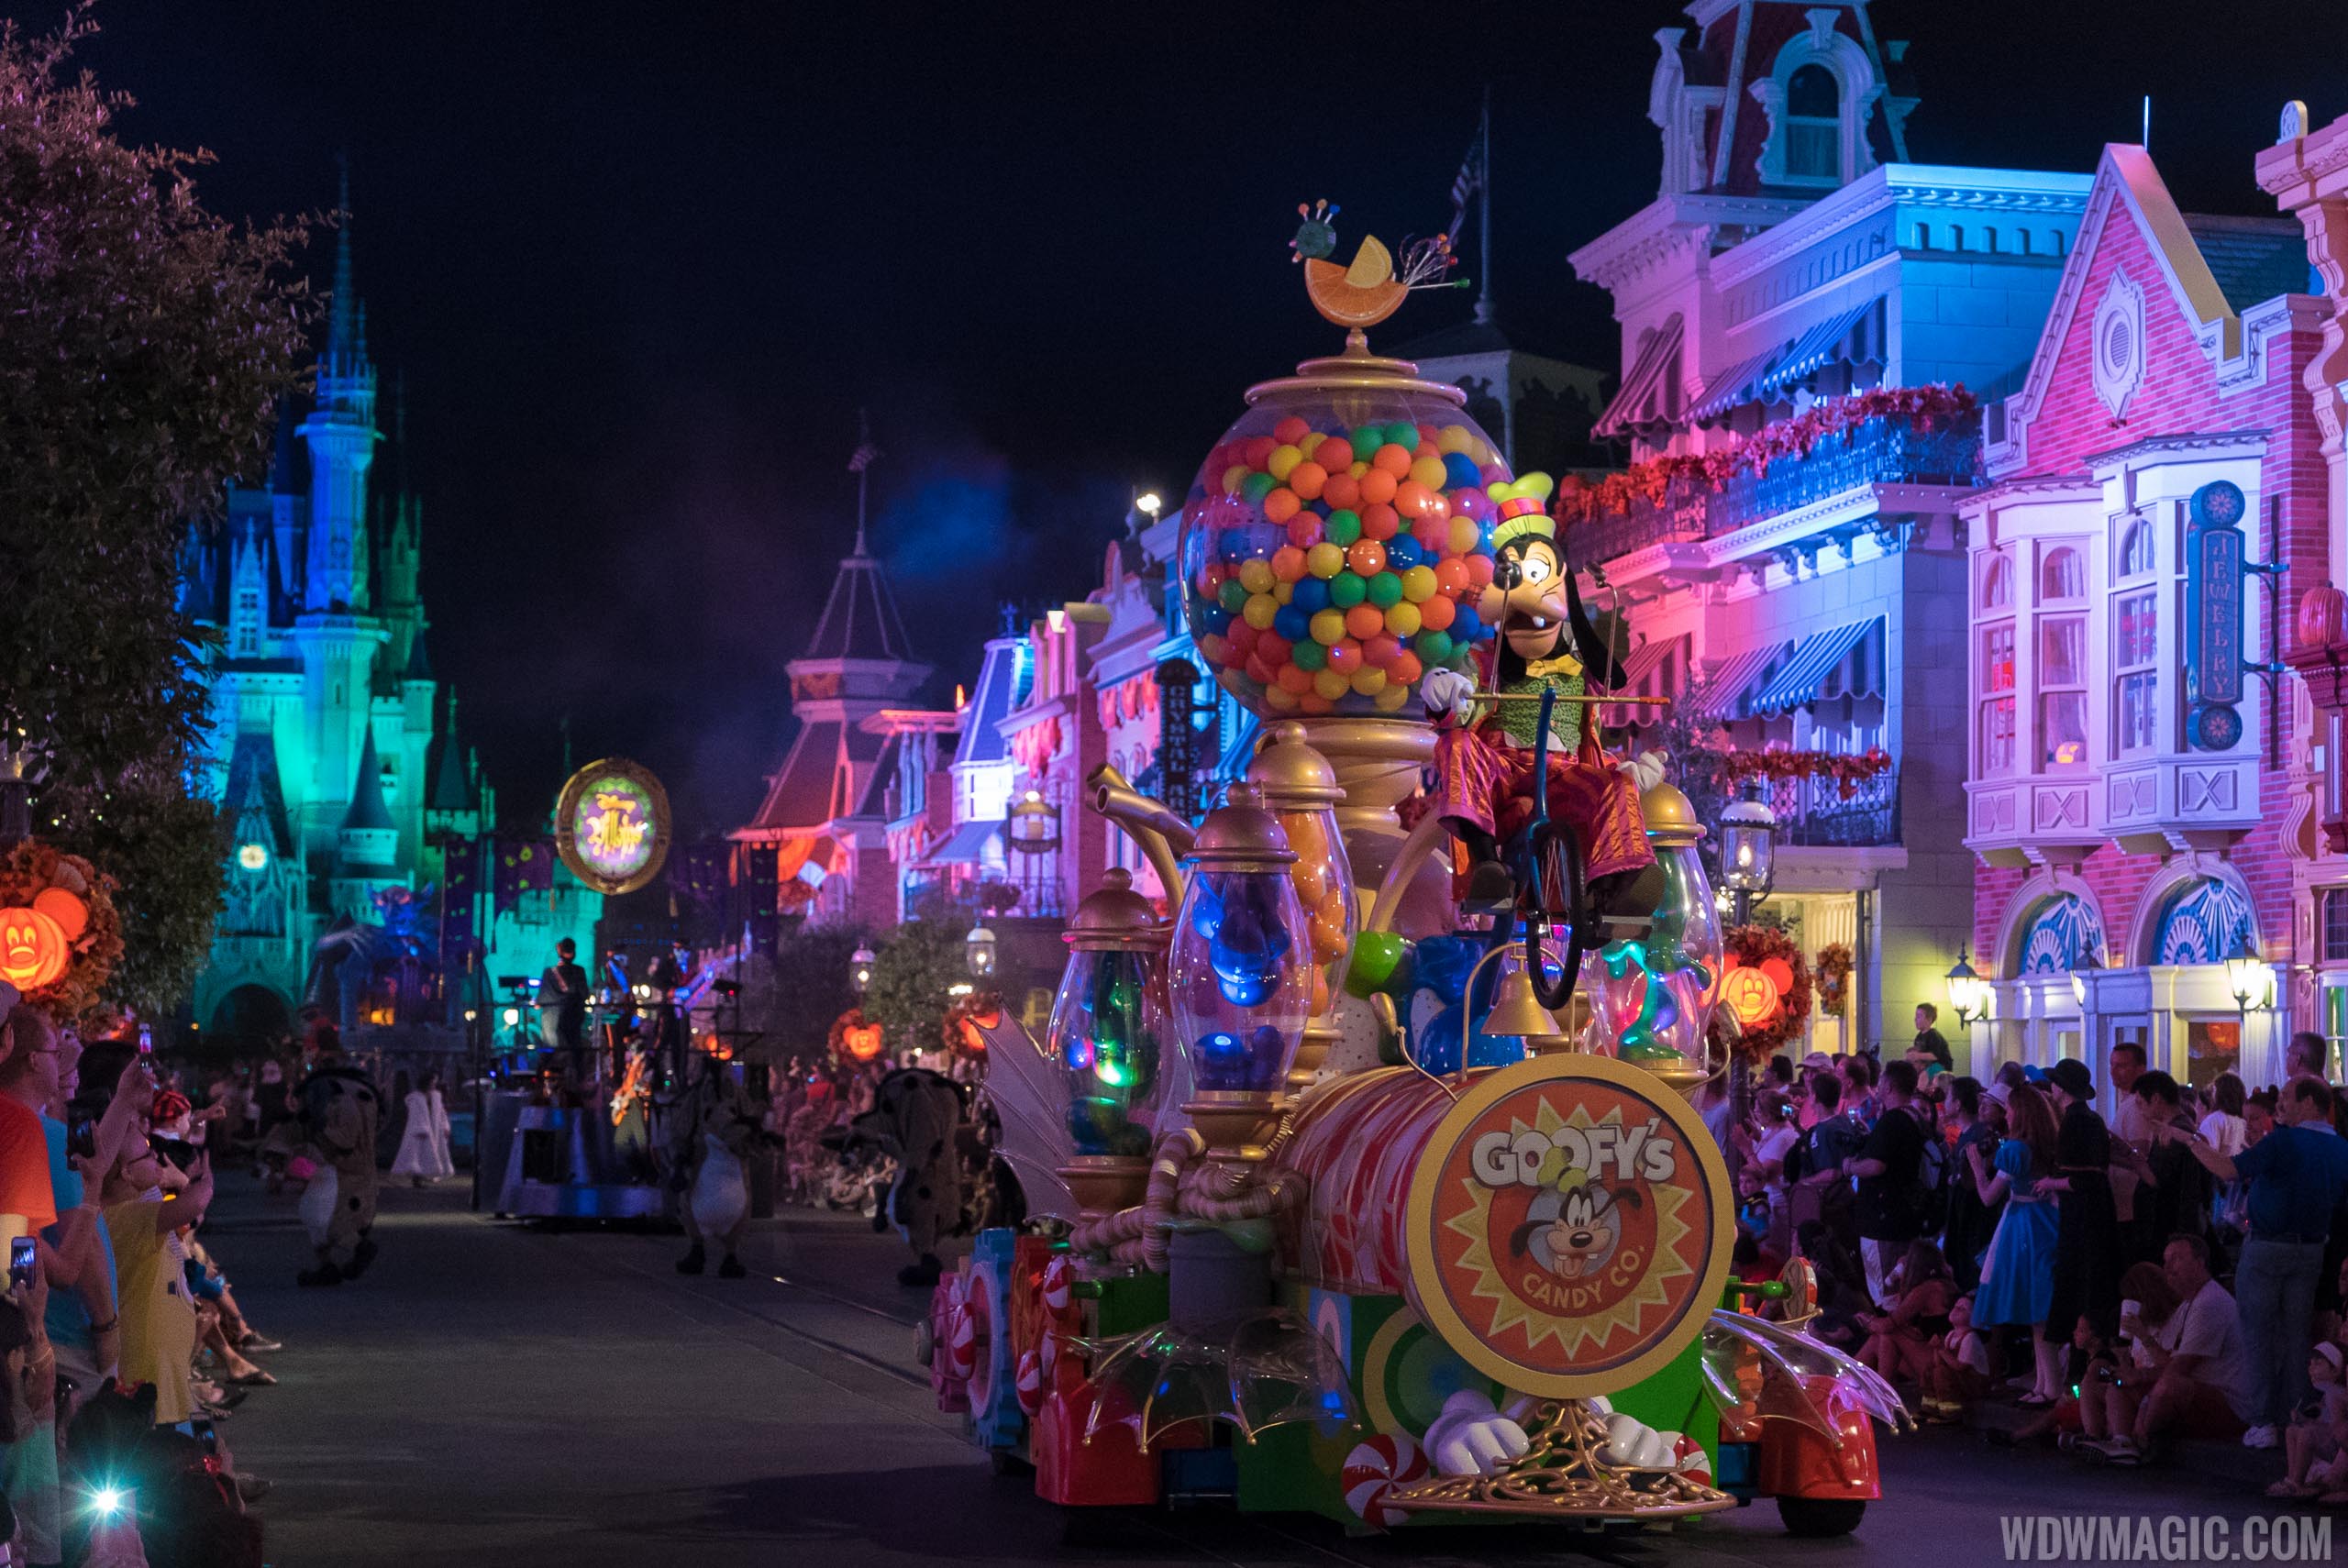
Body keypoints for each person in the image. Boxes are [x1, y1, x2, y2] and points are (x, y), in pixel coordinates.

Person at [2168, 1073, 2348, 1450]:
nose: (2279, 1102)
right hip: (2312, 1247)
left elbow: (2228, 1169)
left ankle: (2263, 1420)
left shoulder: (2285, 1140)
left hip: (2267, 1246)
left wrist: (2189, 1142)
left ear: (2309, 1103)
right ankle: (2295, 1415)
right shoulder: (2339, 1148)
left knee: (2258, 1335)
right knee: (2297, 1334)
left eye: (2287, 1096)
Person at [2093, 1234, 2249, 1463]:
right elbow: (2167, 1363)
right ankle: (2122, 1443)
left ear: (2199, 1263)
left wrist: (2142, 1387)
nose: (2167, 1268)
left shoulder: (2210, 1303)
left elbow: (2178, 1368)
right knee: (2115, 1384)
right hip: (2192, 1391)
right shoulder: (2188, 1304)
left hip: (2228, 1402)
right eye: (2165, 1261)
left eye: (2176, 1259)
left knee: (2170, 1386)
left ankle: (2142, 1437)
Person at [1972, 1081, 2066, 1404]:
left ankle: (2050, 1386)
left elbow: (1987, 1197)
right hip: (2046, 1221)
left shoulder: (2013, 1151)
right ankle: (2043, 1384)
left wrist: (1976, 1168)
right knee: (2040, 1307)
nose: (2006, 1115)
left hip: (2022, 1225)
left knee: (2035, 1309)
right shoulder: (2047, 1144)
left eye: (2009, 1109)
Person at [294, 1021, 382, 1287]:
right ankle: (327, 1265)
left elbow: (322, 1118)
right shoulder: (356, 1076)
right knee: (325, 1215)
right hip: (362, 1157)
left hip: (339, 1160)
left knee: (324, 1217)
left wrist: (315, 1137)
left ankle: (355, 1248)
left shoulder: (328, 1082)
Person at [2043, 1057, 2121, 1349]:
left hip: (2081, 1220)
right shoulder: (2093, 1119)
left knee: (2080, 1283)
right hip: (2096, 1215)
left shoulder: (2074, 1122)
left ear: (2061, 1088)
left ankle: (2080, 1353)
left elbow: (2084, 1179)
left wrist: (2049, 1183)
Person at [1849, 1059, 1930, 1307]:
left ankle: (1888, 1340)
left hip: (1884, 1222)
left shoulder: (1893, 1121)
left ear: (1889, 1085)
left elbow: (1876, 1165)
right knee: (1902, 1287)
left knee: (1886, 1292)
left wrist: (1849, 1167)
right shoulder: (1916, 1118)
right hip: (1906, 1216)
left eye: (1882, 1080)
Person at [670, 1059, 759, 1278]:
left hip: (721, 1157)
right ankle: (709, 1251)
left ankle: (717, 1252)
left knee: (720, 1203)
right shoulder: (714, 1095)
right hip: (712, 1159)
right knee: (706, 1202)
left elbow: (682, 1127)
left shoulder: (709, 1095)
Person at [1855, 1238, 1955, 1387]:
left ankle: (1880, 1393)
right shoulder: (1943, 1283)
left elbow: (1889, 1324)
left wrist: (1868, 1320)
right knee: (1877, 1340)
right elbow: (1901, 1316)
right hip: (1936, 1358)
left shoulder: (1927, 1290)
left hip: (1942, 1364)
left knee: (1890, 1333)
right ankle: (1845, 1382)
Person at [2273, 1341, 2348, 1499]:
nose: (2311, 1368)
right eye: (2310, 1364)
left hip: (2339, 1445)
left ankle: (2297, 1482)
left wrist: (2310, 1424)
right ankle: (2293, 1478)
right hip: (2330, 1439)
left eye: (2318, 1364)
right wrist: (2303, 1419)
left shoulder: (2336, 1394)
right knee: (2292, 1430)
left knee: (2308, 1434)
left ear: (2335, 1370)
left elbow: (2333, 1426)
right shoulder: (2326, 1393)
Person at [537, 937, 592, 1086]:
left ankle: (541, 1082)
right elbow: (584, 994)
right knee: (575, 1052)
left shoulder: (549, 973)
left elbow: (542, 999)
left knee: (549, 1051)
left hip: (552, 1021)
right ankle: (577, 1084)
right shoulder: (579, 971)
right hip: (573, 1018)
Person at [389, 1068, 454, 1187]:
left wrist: (445, 1126)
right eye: (432, 1081)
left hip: (434, 1129)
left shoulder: (436, 1096)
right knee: (417, 1154)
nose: (434, 1083)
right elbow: (415, 1114)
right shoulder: (415, 1098)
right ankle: (417, 1179)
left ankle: (426, 1175)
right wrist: (421, 1127)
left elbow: (441, 1113)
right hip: (419, 1130)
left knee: (430, 1153)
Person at [1912, 1004, 1953, 1072]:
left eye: (1919, 1016)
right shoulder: (1918, 1037)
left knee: (1923, 1076)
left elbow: (1934, 1056)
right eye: (1916, 1016)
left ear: (1929, 1019)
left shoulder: (1934, 1035)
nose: (1915, 1019)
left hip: (1941, 1066)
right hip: (1928, 1066)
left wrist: (1917, 1055)